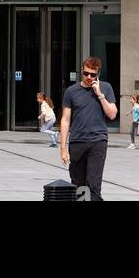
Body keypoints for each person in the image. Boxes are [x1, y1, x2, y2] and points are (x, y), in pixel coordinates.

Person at [59, 56, 118, 201]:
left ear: (98, 74)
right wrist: (63, 148)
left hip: (98, 141)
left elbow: (112, 114)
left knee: (93, 187)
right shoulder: (71, 91)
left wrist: (100, 95)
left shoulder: (106, 88)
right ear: (81, 71)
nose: (89, 77)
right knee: (78, 187)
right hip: (77, 142)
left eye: (93, 74)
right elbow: (65, 120)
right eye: (86, 73)